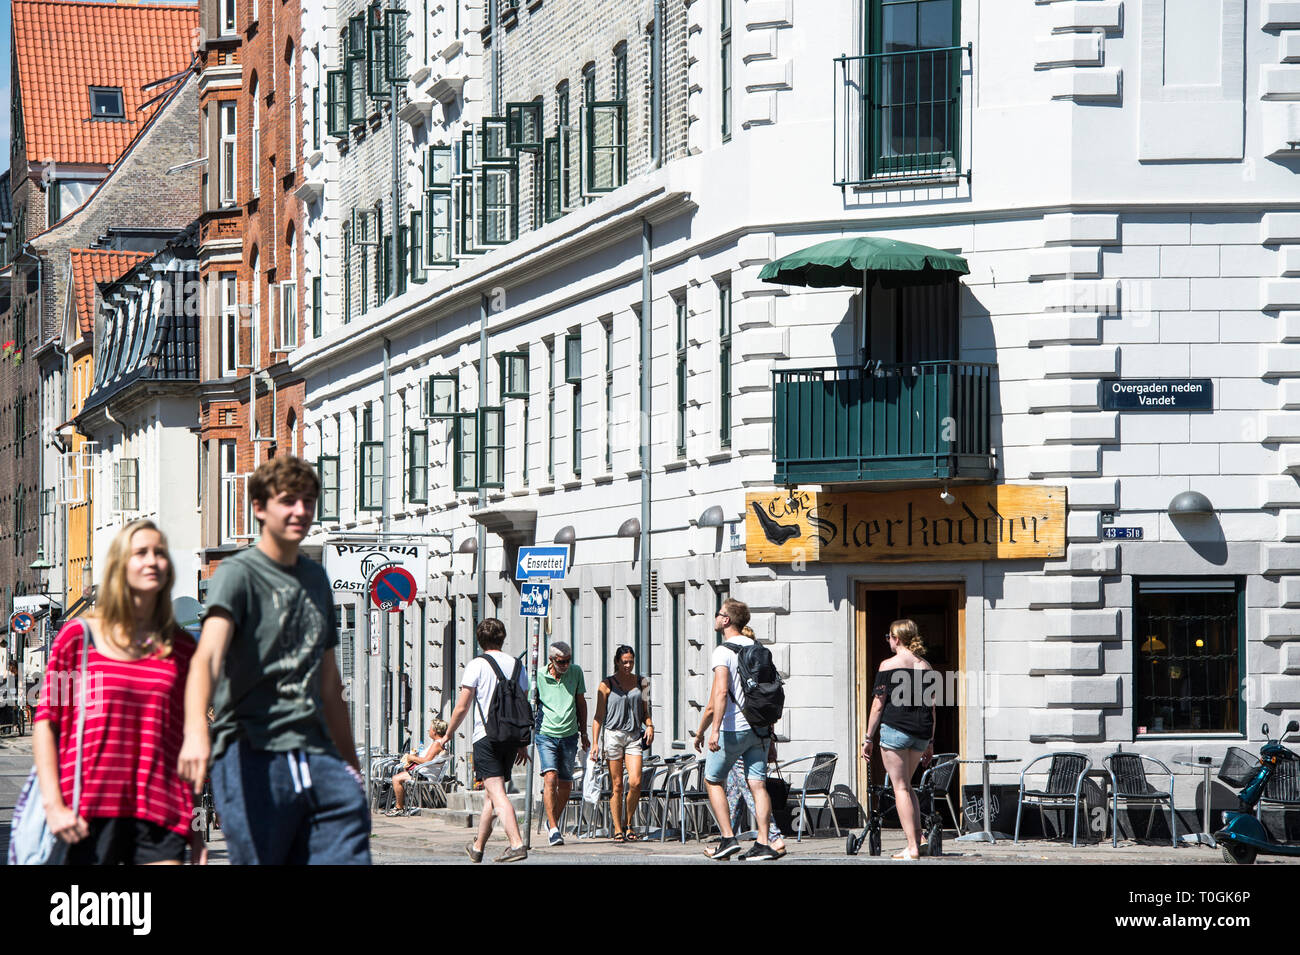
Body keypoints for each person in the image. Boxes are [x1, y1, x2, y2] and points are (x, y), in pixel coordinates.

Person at [177, 455, 369, 865]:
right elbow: (207, 657)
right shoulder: (239, 574)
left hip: (316, 753)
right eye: (288, 501)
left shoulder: (316, 578)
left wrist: (352, 769)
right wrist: (195, 730)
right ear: (260, 508)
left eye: (308, 501)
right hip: (252, 751)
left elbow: (329, 683)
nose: (301, 511)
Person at [32, 519, 202, 864]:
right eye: (141, 552)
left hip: (161, 809)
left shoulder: (180, 647)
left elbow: (186, 741)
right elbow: (47, 723)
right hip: (89, 810)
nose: (153, 560)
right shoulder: (80, 639)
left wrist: (196, 832)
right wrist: (53, 805)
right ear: (120, 566)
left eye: (159, 553)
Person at [440, 617, 529, 863]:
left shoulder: (476, 665)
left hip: (486, 737)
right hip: (510, 738)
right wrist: (522, 742)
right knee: (491, 795)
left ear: (480, 641)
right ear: (503, 638)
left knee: (498, 793)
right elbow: (522, 704)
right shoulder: (517, 665)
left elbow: (461, 706)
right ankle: (478, 847)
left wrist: (447, 734)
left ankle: (516, 844)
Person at [695, 626, 786, 858]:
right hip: (761, 729)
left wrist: (707, 732)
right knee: (757, 785)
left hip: (733, 729)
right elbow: (765, 698)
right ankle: (764, 842)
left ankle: (727, 838)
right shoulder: (759, 652)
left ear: (727, 620)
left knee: (713, 779)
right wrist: (771, 738)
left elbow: (718, 698)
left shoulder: (723, 653)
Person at [860, 618, 935, 861]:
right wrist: (930, 741)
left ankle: (912, 848)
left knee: (900, 786)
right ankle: (920, 838)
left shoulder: (887, 665)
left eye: (889, 637)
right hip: (921, 733)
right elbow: (932, 707)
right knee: (907, 786)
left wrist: (868, 737)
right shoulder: (925, 666)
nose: (888, 641)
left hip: (896, 730)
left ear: (897, 638)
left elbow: (878, 705)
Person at [590, 645, 653, 842]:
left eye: (631, 662)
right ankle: (618, 828)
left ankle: (627, 821)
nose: (628, 665)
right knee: (617, 785)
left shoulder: (643, 682)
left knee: (635, 782)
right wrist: (595, 743)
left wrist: (650, 725)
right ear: (617, 662)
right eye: (624, 662)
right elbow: (598, 716)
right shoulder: (606, 684)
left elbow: (645, 710)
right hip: (613, 735)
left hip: (634, 735)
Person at [534, 640, 588, 846]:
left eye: (568, 661)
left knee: (566, 783)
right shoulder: (539, 675)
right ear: (551, 660)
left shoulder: (576, 672)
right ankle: (555, 829)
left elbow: (581, 702)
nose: (565, 665)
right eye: (561, 662)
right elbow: (532, 702)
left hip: (569, 734)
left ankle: (551, 820)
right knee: (550, 777)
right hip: (546, 733)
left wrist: (584, 733)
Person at [387, 718, 450, 816]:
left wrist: (411, 757)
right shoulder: (439, 743)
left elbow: (426, 760)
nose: (429, 731)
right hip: (423, 772)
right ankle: (400, 805)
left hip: (424, 775)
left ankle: (399, 807)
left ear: (435, 732)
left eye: (430, 729)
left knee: (396, 779)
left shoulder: (436, 744)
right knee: (398, 776)